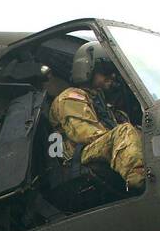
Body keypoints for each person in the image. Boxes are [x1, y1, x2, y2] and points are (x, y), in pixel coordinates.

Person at [49, 41, 148, 191]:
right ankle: (140, 182)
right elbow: (85, 135)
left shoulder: (108, 107)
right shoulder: (70, 97)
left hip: (100, 148)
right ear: (88, 69)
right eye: (106, 70)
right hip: (79, 155)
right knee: (125, 131)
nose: (112, 76)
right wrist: (121, 135)